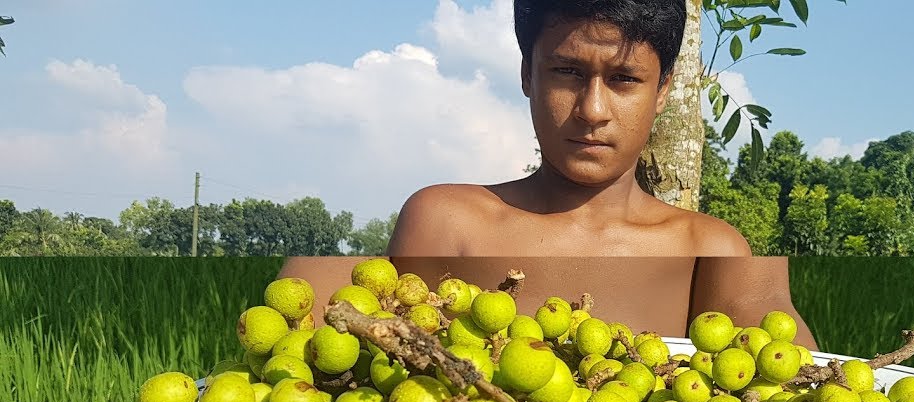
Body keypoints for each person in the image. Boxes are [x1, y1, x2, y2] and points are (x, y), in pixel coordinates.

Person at [280, 0, 817, 347]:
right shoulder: (448, 222)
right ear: (526, 75)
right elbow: (334, 305)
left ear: (664, 89)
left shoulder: (709, 249)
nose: (592, 110)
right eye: (567, 72)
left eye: (624, 79)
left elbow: (784, 352)